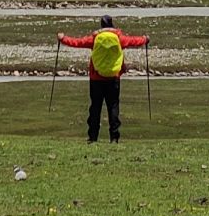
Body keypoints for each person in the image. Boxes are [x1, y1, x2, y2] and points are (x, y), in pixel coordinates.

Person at [58, 14, 148, 143]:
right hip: (113, 77)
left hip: (96, 79)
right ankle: (114, 138)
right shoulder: (119, 38)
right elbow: (134, 41)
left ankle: (93, 137)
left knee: (95, 107)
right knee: (113, 107)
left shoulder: (95, 39)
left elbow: (77, 42)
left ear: (101, 25)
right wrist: (145, 39)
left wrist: (63, 38)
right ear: (112, 24)